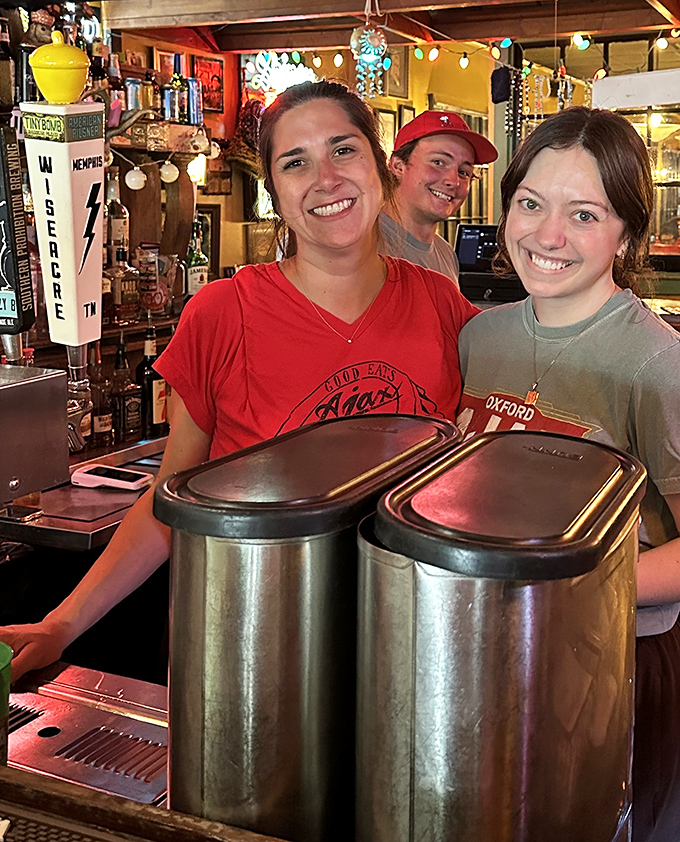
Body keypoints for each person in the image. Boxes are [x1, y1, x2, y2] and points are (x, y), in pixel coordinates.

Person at [0, 80, 479, 681]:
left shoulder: (441, 304)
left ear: (379, 168)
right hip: (252, 652)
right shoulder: (224, 312)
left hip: (405, 646)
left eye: (344, 149)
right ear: (275, 193)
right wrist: (62, 623)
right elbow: (172, 500)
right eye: (296, 163)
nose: (326, 178)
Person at [456, 106, 680, 842]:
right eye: (530, 203)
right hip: (490, 643)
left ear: (627, 233)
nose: (547, 236)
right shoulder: (479, 336)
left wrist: (573, 591)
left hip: (613, 661)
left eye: (584, 214)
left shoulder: (654, 363)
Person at [379, 110, 498, 284]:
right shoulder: (364, 247)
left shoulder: (446, 254)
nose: (453, 181)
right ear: (398, 166)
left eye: (464, 172)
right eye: (438, 162)